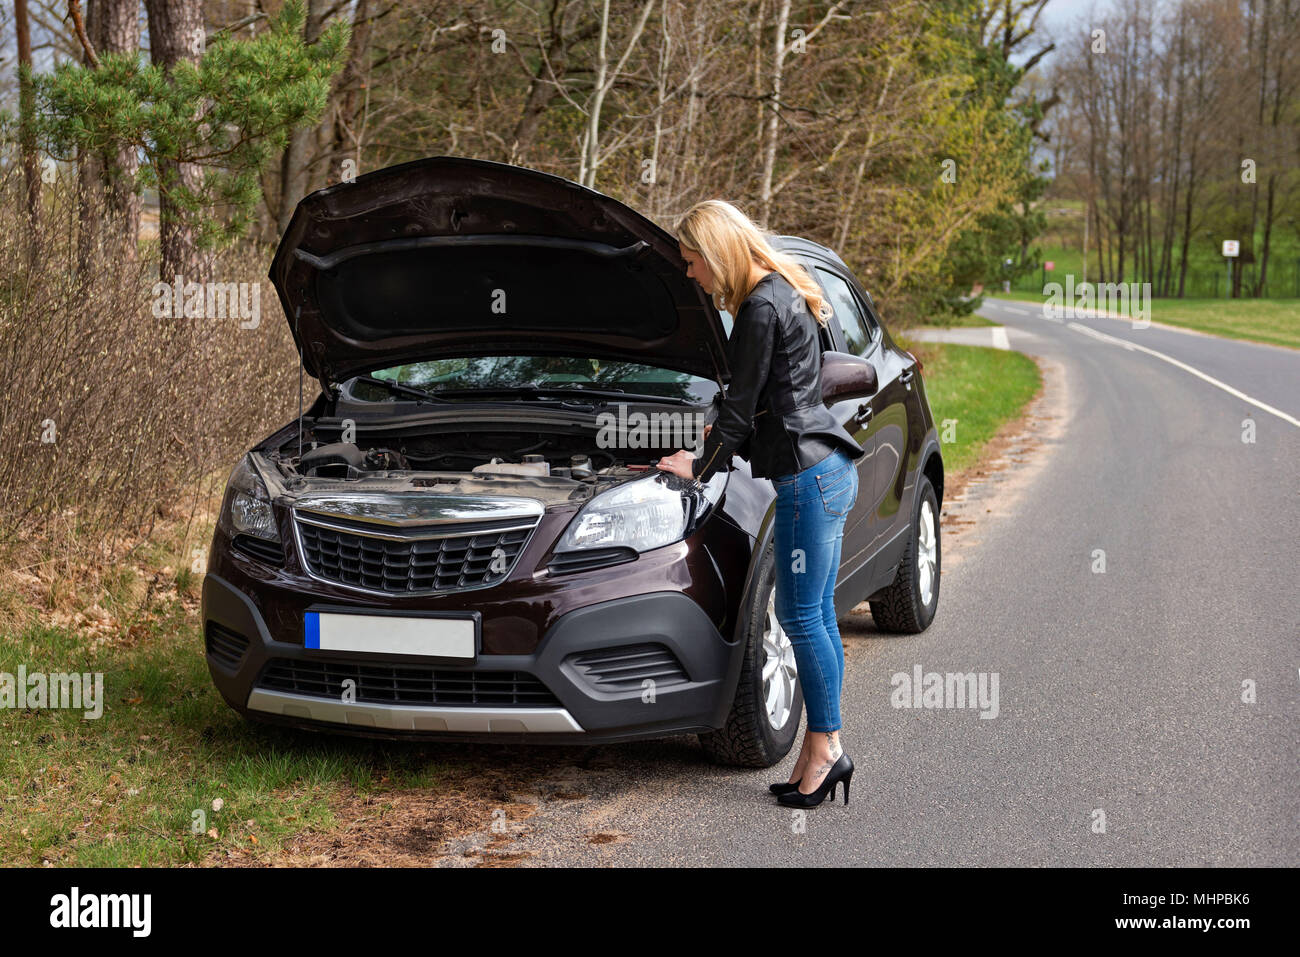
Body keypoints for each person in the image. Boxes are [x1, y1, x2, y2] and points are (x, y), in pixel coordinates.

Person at [655, 200, 865, 807]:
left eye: (693, 261)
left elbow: (743, 411)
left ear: (716, 251)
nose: (692, 274)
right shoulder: (781, 291)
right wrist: (719, 429)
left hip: (805, 482)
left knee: (803, 619)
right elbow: (774, 392)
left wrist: (698, 465)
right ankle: (821, 751)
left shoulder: (757, 307)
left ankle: (826, 749)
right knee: (817, 616)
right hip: (827, 468)